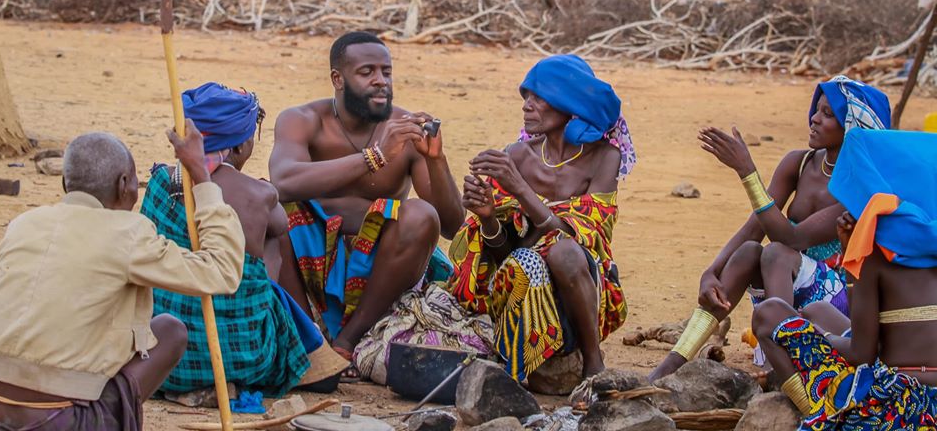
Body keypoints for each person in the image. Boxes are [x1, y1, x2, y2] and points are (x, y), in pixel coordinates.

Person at [0, 123, 244, 430]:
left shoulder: (23, 224)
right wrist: (201, 175)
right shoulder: (128, 232)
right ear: (123, 185)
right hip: (59, 418)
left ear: (65, 183)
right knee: (170, 331)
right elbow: (221, 270)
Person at [649, 75, 891, 382]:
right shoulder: (799, 163)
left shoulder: (860, 186)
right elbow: (754, 228)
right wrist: (710, 272)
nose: (814, 119)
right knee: (750, 252)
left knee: (777, 252)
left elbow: (791, 237)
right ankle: (672, 363)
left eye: (828, 115)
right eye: (816, 110)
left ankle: (783, 367)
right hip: (787, 283)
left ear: (852, 129)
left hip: (839, 300)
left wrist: (747, 172)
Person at [269, 31, 463, 376]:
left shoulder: (406, 130)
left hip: (381, 272)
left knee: (421, 214)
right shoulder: (302, 120)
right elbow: (283, 181)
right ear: (337, 79)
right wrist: (373, 157)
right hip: (307, 265)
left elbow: (450, 225)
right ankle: (311, 338)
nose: (380, 81)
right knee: (266, 204)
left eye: (386, 72)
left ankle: (348, 340)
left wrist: (436, 159)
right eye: (367, 72)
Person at [141, 83, 346, 397]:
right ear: (238, 147)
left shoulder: (160, 181)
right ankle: (290, 327)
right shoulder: (258, 195)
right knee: (273, 242)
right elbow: (280, 224)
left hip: (161, 358)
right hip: (242, 358)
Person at [447, 54, 634, 383]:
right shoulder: (517, 155)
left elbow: (580, 237)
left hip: (580, 290)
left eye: (539, 98)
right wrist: (488, 217)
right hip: (519, 289)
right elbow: (508, 255)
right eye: (526, 97)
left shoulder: (605, 158)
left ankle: (592, 360)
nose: (527, 106)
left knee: (562, 252)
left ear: (570, 105)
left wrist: (519, 188)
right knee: (527, 260)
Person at [753, 128, 937, 428]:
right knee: (818, 309)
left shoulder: (876, 251)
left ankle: (818, 413)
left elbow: (862, 354)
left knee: (769, 314)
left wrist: (820, 335)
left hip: (900, 406)